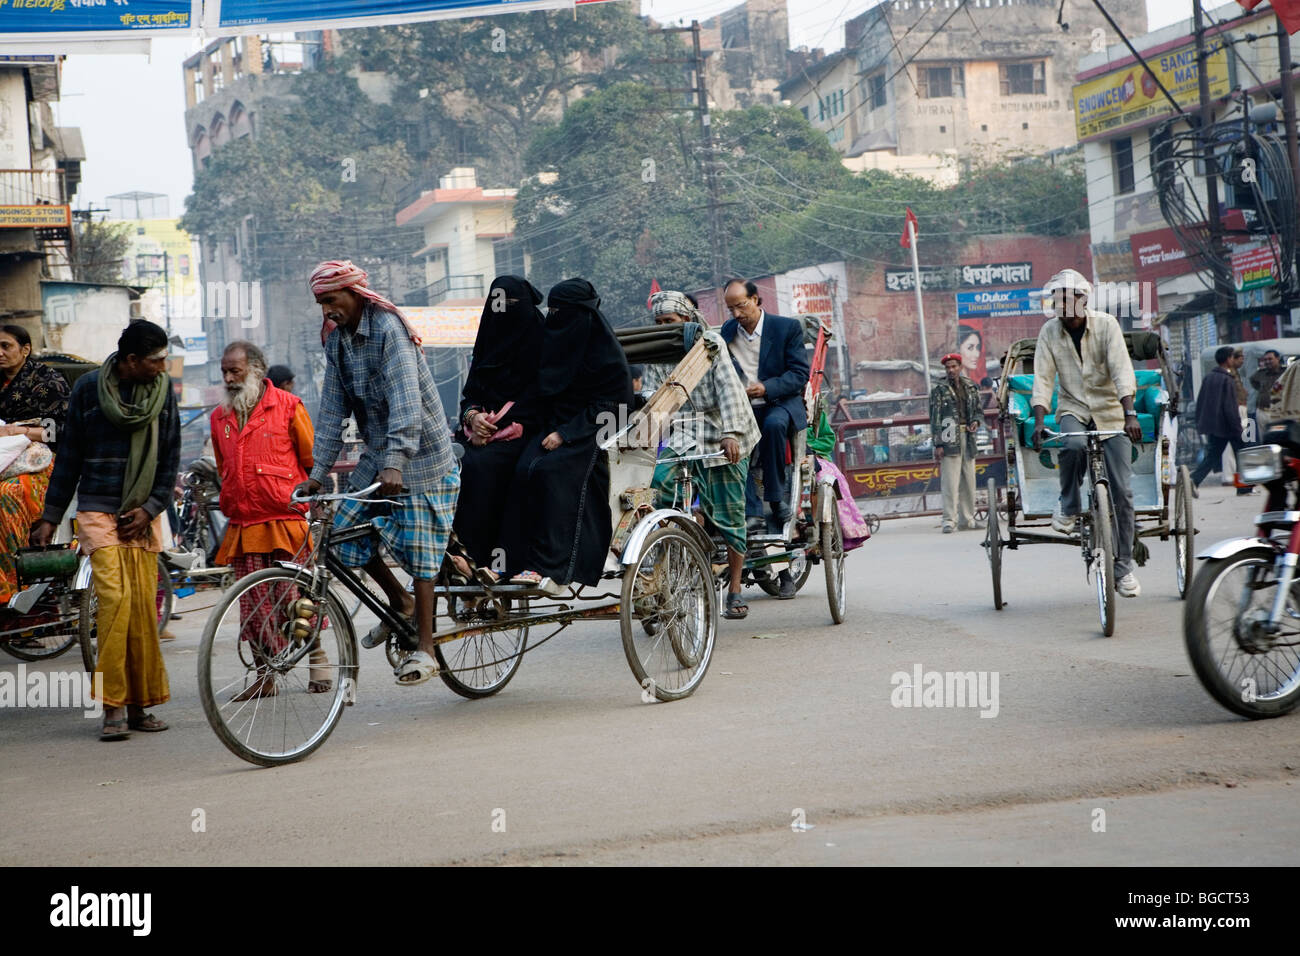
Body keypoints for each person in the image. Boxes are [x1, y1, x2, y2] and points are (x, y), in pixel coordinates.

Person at [298, 260, 461, 687]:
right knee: (342, 534)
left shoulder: (389, 329)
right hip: (379, 455)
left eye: (331, 300)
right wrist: (318, 472)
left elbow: (407, 404)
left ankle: (426, 648)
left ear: (354, 294)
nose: (326, 311)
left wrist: (396, 462)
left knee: (423, 552)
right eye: (320, 303)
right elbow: (333, 411)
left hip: (422, 456)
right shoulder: (336, 344)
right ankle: (399, 600)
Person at [30, 320, 180, 739]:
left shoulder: (163, 392)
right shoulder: (88, 389)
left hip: (141, 514)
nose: (162, 367)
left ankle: (138, 706)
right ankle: (112, 705)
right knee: (115, 602)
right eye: (156, 360)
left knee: (141, 611)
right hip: (98, 509)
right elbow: (71, 454)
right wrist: (50, 515)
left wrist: (150, 508)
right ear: (132, 361)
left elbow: (169, 459)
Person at [210, 340, 329, 698]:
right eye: (225, 372)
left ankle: (318, 658)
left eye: (236, 371)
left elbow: (312, 461)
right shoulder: (220, 418)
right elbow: (223, 467)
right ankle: (265, 674)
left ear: (257, 370)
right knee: (254, 606)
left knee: (297, 599)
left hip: (285, 519)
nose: (229, 378)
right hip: (245, 525)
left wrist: (316, 501)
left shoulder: (290, 407)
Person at [500, 278, 631, 593]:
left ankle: (552, 567)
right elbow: (540, 394)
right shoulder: (551, 346)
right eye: (552, 311)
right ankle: (513, 562)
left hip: (595, 431)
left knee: (551, 472)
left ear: (580, 313)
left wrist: (566, 433)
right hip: (552, 428)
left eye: (562, 312)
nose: (555, 318)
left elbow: (614, 406)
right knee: (520, 471)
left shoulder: (606, 355)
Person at [645, 290, 761, 614]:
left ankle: (735, 588)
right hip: (684, 432)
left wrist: (732, 434)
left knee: (730, 511)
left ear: (686, 319)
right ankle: (666, 564)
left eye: (670, 321)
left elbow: (729, 389)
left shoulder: (710, 344)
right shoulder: (656, 352)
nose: (664, 327)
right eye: (659, 322)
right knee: (658, 484)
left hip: (725, 428)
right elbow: (653, 399)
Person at [1030, 269, 1144, 598]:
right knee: (1073, 446)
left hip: (1110, 410)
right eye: (1057, 301)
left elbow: (1122, 370)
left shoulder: (1107, 324)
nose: (1061, 307)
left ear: (1083, 300)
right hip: (1073, 408)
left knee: (1122, 493)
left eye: (1068, 300)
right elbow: (1043, 379)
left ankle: (1123, 567)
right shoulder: (1049, 332)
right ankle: (1068, 505)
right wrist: (1039, 421)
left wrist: (1130, 413)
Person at [452, 275, 545, 580]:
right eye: (498, 305)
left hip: (528, 430)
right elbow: (470, 395)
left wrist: (501, 422)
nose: (504, 312)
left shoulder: (541, 341)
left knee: (483, 467)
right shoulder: (487, 344)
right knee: (451, 466)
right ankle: (456, 555)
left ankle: (491, 560)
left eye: (512, 305)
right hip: (481, 434)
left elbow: (545, 395)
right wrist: (473, 417)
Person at [719, 278, 811, 535]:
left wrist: (766, 388)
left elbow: (799, 374)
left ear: (756, 299)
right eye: (731, 309)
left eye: (741, 306)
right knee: (728, 441)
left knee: (773, 425)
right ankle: (752, 510)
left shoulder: (786, 328)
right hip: (742, 408)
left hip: (778, 402)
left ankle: (775, 497)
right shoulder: (726, 334)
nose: (737, 314)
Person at [0, 324, 70, 606]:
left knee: (7, 495)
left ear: (25, 349)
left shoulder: (47, 381)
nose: (0, 353)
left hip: (41, 464)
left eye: (6, 346)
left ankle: (17, 589)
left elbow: (61, 431)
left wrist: (19, 431)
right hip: (4, 460)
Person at [930, 352, 983, 534]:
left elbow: (978, 410)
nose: (951, 370)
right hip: (948, 437)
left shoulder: (970, 386)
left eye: (954, 366)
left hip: (967, 437)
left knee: (969, 480)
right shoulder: (939, 389)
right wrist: (938, 444)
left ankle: (968, 519)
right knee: (950, 482)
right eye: (948, 367)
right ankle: (949, 520)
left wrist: (975, 421)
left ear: (960, 367)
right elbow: (935, 418)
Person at [1191, 345, 1251, 495]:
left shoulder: (1209, 377)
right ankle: (1243, 487)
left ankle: (1194, 480)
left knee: (1212, 456)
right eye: (1232, 357)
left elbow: (1202, 402)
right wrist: (1237, 427)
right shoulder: (1227, 379)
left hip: (1215, 426)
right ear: (1227, 359)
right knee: (1241, 454)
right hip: (1228, 426)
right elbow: (1229, 406)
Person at [1250, 349, 1283, 434]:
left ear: (1278, 358)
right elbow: (1253, 381)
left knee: (1278, 438)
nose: (1267, 361)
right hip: (1262, 412)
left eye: (1270, 359)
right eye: (1265, 360)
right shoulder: (1260, 373)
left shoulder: (1285, 372)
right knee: (1264, 440)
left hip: (1278, 412)